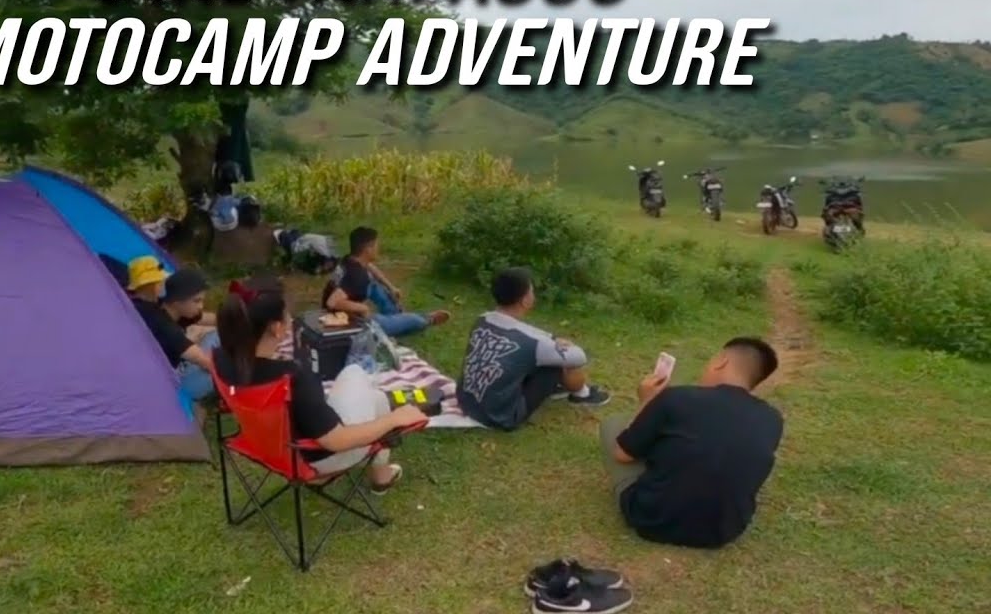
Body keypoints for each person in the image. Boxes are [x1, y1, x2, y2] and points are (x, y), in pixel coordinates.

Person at [215, 276, 429, 489]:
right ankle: (380, 474)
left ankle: (381, 469)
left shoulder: (219, 360)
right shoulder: (293, 377)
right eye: (288, 316)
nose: (291, 320)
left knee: (359, 381)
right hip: (312, 459)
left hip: (263, 445)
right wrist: (395, 419)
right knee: (365, 385)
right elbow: (337, 441)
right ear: (277, 328)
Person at [599, 337, 784, 549]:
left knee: (613, 425)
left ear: (721, 361)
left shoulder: (676, 397)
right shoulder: (773, 419)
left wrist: (647, 401)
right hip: (723, 531)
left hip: (651, 519)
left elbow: (623, 454)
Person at [457, 268, 611, 431]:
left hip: (465, 401)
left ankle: (563, 389)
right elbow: (579, 357)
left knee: (529, 359)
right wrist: (565, 344)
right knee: (557, 364)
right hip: (501, 417)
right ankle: (582, 394)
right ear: (525, 300)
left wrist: (551, 338)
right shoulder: (533, 343)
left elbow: (522, 331)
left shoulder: (482, 319)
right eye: (531, 291)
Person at [322, 226, 450, 339]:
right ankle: (427, 319)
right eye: (376, 245)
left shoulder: (350, 260)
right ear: (368, 249)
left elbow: (370, 267)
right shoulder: (357, 277)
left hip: (344, 304)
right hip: (352, 320)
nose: (379, 248)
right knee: (413, 320)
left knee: (373, 285)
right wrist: (363, 308)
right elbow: (332, 302)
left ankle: (395, 315)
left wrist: (391, 287)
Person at [125, 256, 217, 402]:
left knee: (216, 335)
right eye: (197, 301)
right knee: (218, 344)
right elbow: (201, 359)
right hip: (165, 386)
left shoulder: (163, 306)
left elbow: (204, 318)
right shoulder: (160, 321)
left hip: (160, 373)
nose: (200, 306)